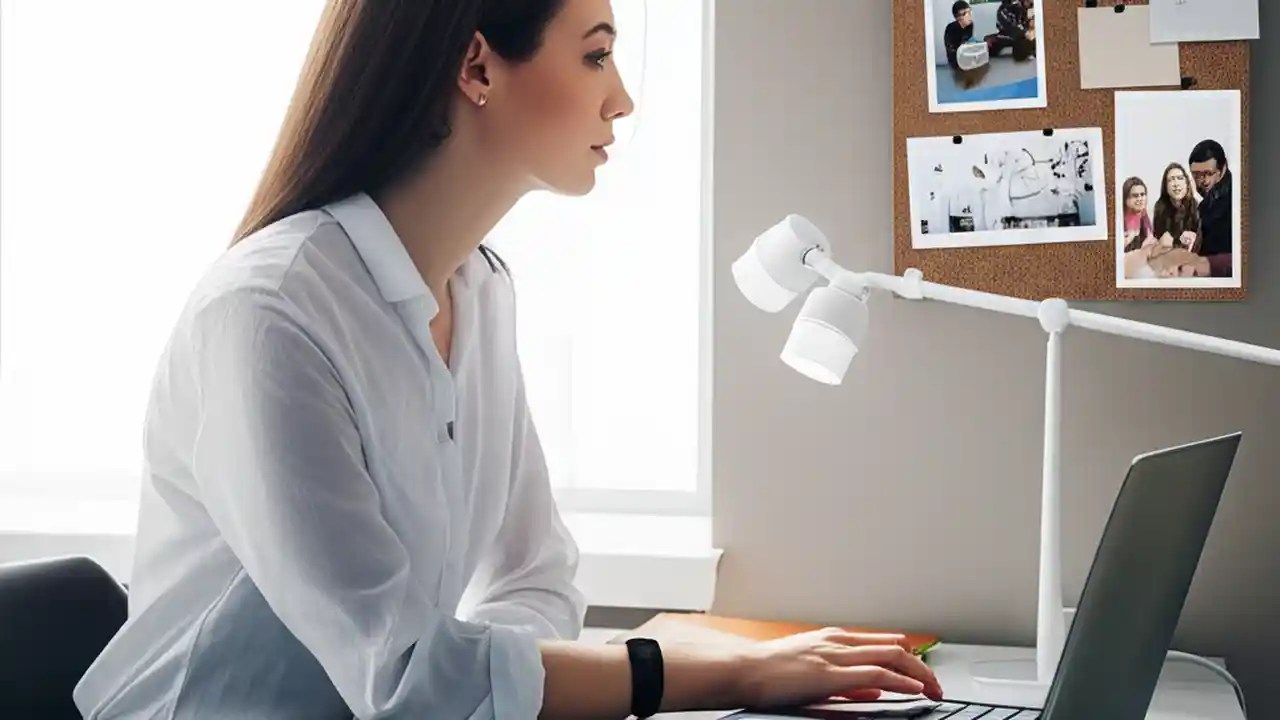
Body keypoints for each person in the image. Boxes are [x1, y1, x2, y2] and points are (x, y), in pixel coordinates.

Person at [72, 1, 944, 718]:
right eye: (597, 55)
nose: (624, 100)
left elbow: (533, 578)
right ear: (479, 68)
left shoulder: (482, 292)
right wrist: (705, 670)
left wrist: (491, 683)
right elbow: (405, 678)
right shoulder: (268, 316)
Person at [1187, 138, 1234, 278]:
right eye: (1197, 175)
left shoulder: (1238, 197)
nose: (1203, 181)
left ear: (1223, 167)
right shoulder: (1204, 204)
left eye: (1208, 173)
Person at [1151, 162, 1201, 252]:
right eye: (1171, 180)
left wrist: (1194, 238)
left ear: (1186, 183)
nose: (1176, 184)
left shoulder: (1195, 205)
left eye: (1180, 178)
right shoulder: (1160, 208)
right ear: (1165, 186)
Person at [1121, 176, 1155, 252]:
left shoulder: (1147, 218)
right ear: (1125, 199)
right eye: (1135, 196)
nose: (1140, 199)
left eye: (1142, 194)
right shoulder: (1119, 221)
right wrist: (1128, 239)